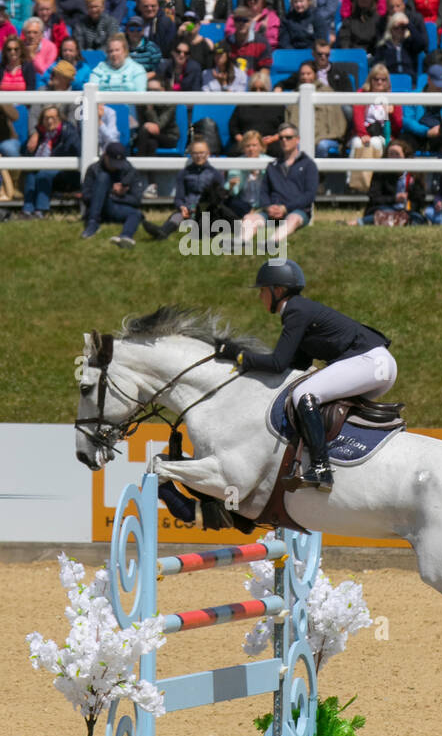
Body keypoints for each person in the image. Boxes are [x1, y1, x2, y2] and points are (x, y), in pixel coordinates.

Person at [213, 259, 395, 491]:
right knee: (318, 397)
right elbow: (296, 364)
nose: (260, 296)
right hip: (378, 365)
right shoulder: (302, 310)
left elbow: (278, 363)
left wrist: (239, 355)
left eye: (262, 290)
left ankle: (321, 467)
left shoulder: (296, 310)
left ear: (277, 290)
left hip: (368, 362)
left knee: (304, 393)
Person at [239, 123, 318, 245]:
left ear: (297, 140)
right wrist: (267, 207)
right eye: (281, 138)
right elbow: (264, 192)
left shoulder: (308, 165)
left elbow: (309, 195)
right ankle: (241, 241)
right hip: (271, 212)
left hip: (296, 210)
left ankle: (273, 242)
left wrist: (285, 208)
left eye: (288, 137)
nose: (284, 141)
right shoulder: (273, 165)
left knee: (293, 219)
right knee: (249, 218)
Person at [143, 136, 224, 241]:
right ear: (191, 154)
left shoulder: (215, 174)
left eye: (202, 152)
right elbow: (178, 197)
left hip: (206, 211)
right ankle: (163, 231)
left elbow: (219, 199)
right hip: (188, 210)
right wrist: (182, 207)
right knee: (177, 216)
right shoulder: (184, 173)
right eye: (195, 153)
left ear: (208, 153)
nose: (199, 156)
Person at [20, 105, 81, 218]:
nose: (49, 121)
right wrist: (31, 145)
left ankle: (40, 210)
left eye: (53, 117)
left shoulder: (68, 131)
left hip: (65, 172)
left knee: (44, 173)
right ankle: (27, 210)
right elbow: (28, 154)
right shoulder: (39, 133)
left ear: (59, 118)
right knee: (31, 173)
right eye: (46, 118)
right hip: (44, 169)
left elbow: (77, 150)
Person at [284, 61, 348, 157]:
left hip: (326, 138)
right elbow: (289, 123)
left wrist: (320, 138)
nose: (305, 77)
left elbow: (338, 125)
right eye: (302, 74)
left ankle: (321, 172)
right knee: (296, 145)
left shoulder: (328, 93)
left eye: (308, 74)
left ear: (315, 74)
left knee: (322, 146)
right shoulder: (294, 95)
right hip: (300, 138)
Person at [227, 68, 284, 155]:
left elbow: (284, 128)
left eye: (262, 89)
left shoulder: (277, 106)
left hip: (270, 144)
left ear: (267, 89)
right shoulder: (242, 105)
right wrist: (243, 140)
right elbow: (233, 126)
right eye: (254, 89)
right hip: (246, 144)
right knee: (232, 153)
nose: (258, 92)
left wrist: (273, 139)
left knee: (280, 152)